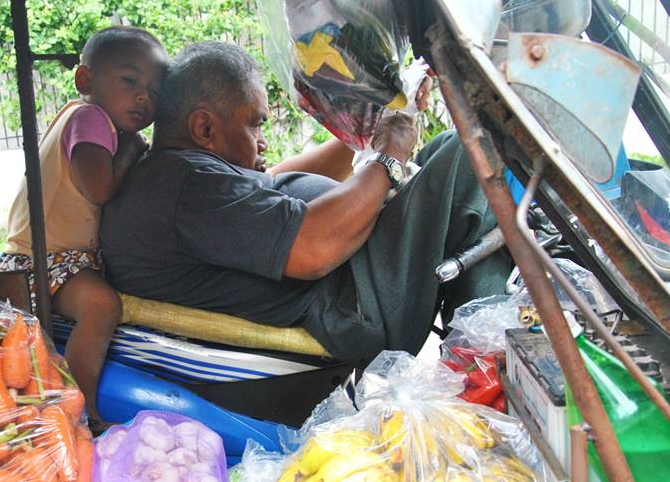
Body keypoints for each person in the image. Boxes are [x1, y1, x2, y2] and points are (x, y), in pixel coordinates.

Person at [100, 42, 511, 367]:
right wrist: (389, 159)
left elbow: (281, 178)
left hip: (361, 275)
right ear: (204, 127)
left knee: (446, 154)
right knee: (470, 151)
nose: (262, 141)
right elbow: (313, 249)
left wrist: (377, 124)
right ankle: (484, 360)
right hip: (357, 302)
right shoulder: (186, 189)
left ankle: (482, 352)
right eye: (256, 124)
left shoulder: (188, 173)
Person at [0, 26, 167, 425]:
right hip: (41, 260)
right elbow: (100, 188)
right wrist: (130, 151)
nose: (144, 96)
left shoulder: (94, 124)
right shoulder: (90, 118)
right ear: (85, 80)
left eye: (156, 90)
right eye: (130, 81)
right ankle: (79, 408)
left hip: (60, 256)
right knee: (101, 306)